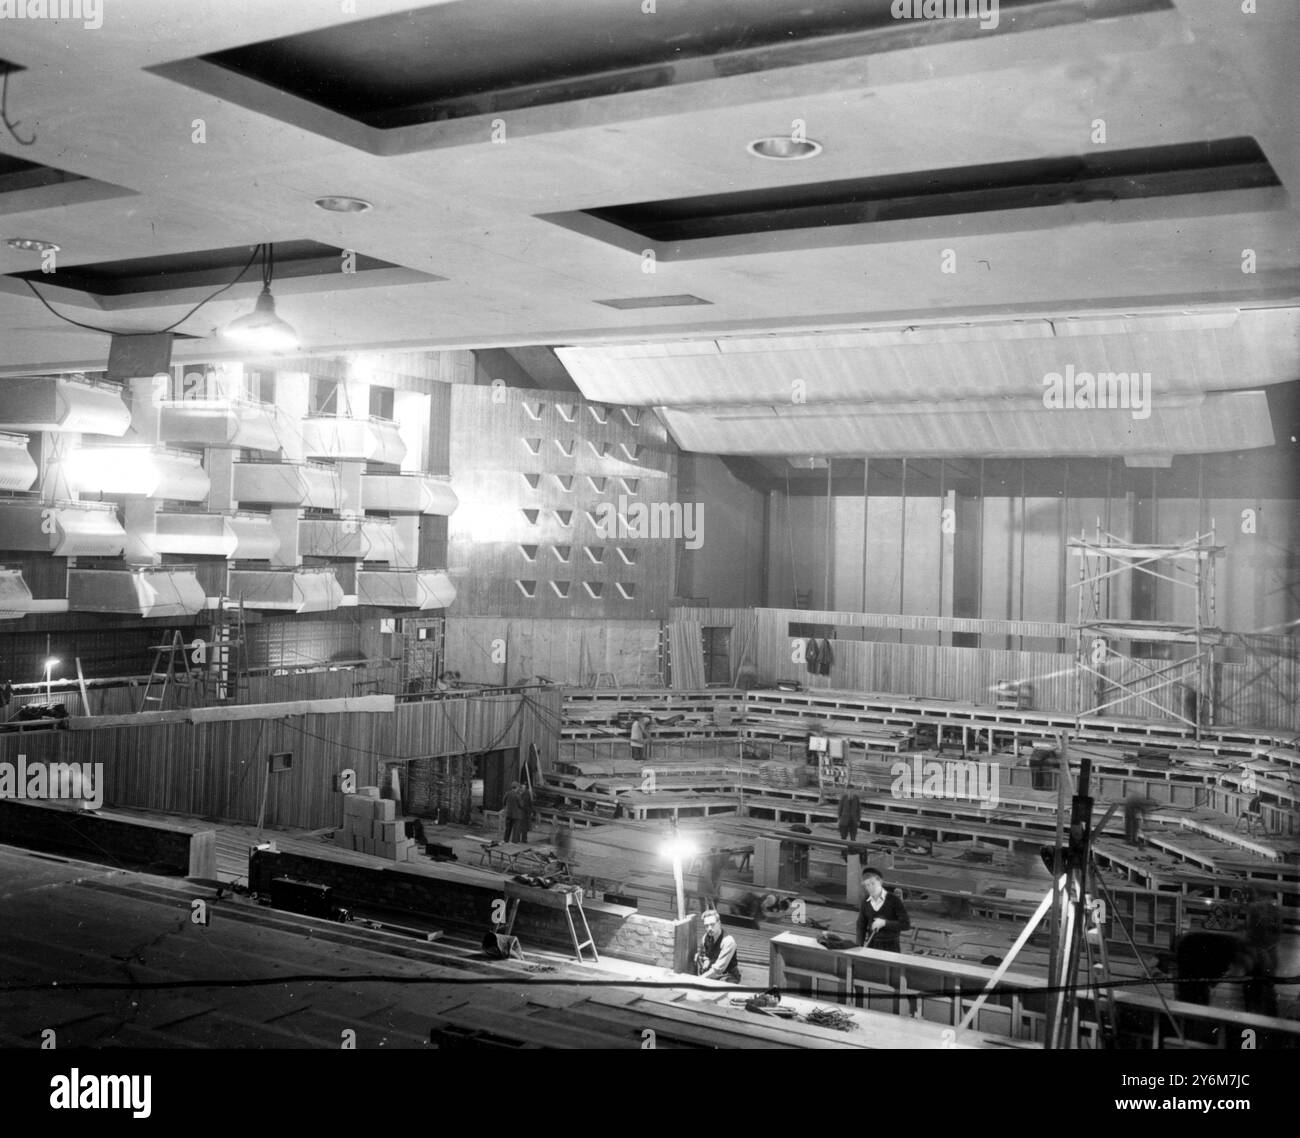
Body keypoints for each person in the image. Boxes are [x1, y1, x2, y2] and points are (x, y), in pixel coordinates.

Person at [856, 868, 910, 952]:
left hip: (891, 947)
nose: (870, 888)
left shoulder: (894, 900)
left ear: (880, 882)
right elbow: (861, 925)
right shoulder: (866, 901)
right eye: (867, 885)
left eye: (873, 883)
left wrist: (884, 923)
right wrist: (859, 946)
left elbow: (906, 924)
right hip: (872, 944)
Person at [695, 909, 741, 983]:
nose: (709, 928)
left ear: (719, 923)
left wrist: (699, 979)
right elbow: (705, 955)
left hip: (727, 975)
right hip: (712, 972)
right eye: (706, 926)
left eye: (712, 924)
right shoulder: (705, 938)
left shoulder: (728, 941)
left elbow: (718, 969)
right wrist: (705, 960)